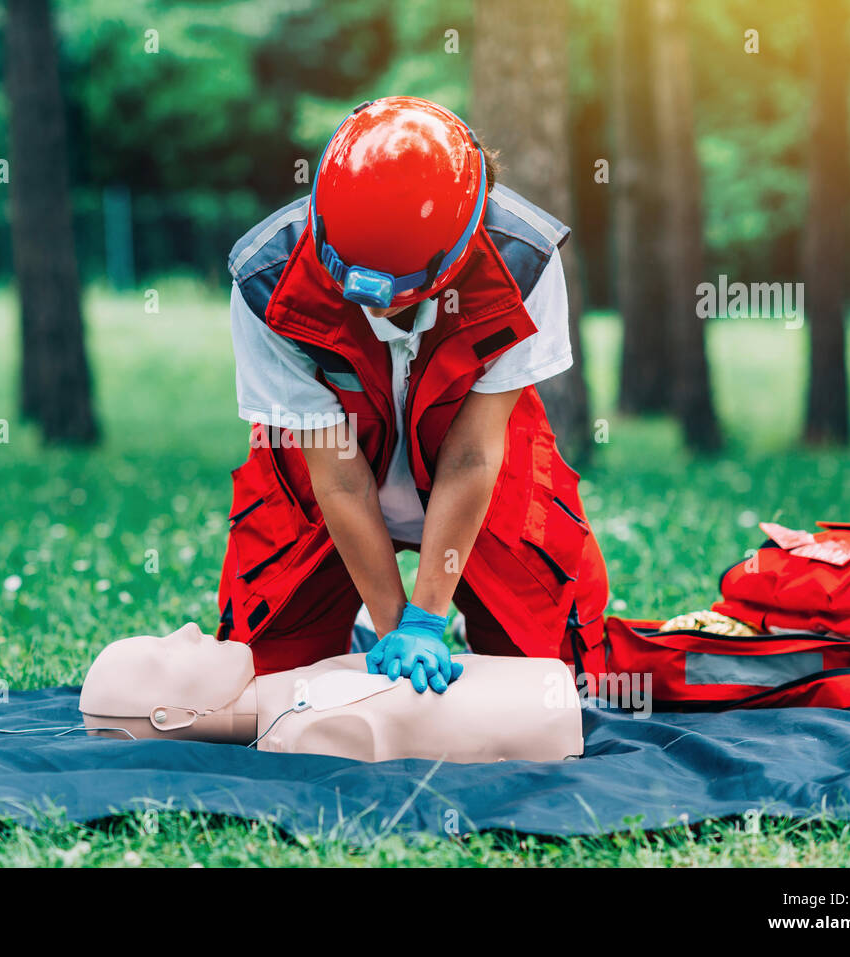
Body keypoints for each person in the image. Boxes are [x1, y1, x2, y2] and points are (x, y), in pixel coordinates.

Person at [217, 96, 609, 692]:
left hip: (483, 475)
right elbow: (338, 478)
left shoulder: (524, 261)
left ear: (455, 260)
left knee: (558, 686)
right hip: (320, 490)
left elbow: (475, 454)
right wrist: (391, 626)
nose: (371, 305)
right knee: (261, 686)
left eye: (395, 291)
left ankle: (447, 613)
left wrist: (426, 619)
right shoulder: (267, 282)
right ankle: (346, 624)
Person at [79, 623, 583, 763]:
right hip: (550, 719)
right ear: (168, 717)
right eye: (164, 654)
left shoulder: (291, 700)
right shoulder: (306, 729)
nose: (186, 628)